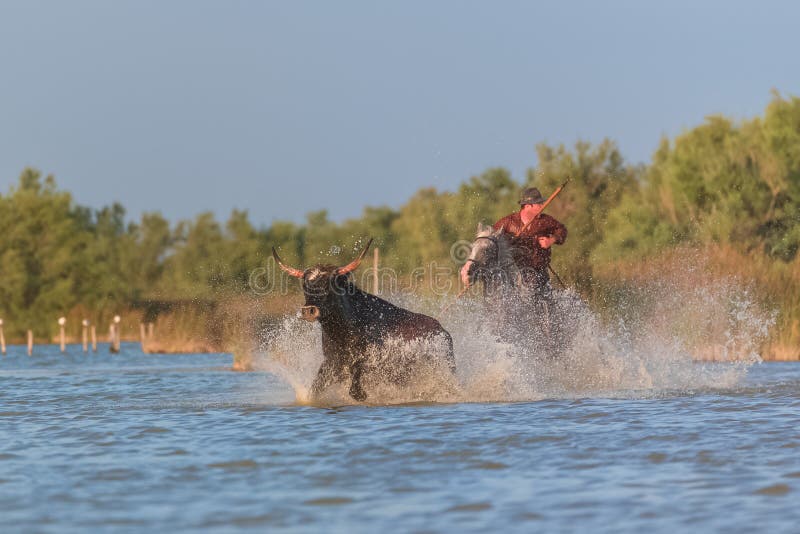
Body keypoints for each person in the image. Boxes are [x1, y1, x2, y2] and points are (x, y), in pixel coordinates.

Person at [460, 186, 567, 296]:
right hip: (513, 270)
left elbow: (562, 230)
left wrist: (551, 240)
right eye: (539, 204)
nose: (542, 206)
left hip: (538, 272)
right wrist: (468, 266)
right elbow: (488, 240)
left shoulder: (545, 221)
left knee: (540, 296)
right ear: (528, 206)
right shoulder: (508, 222)